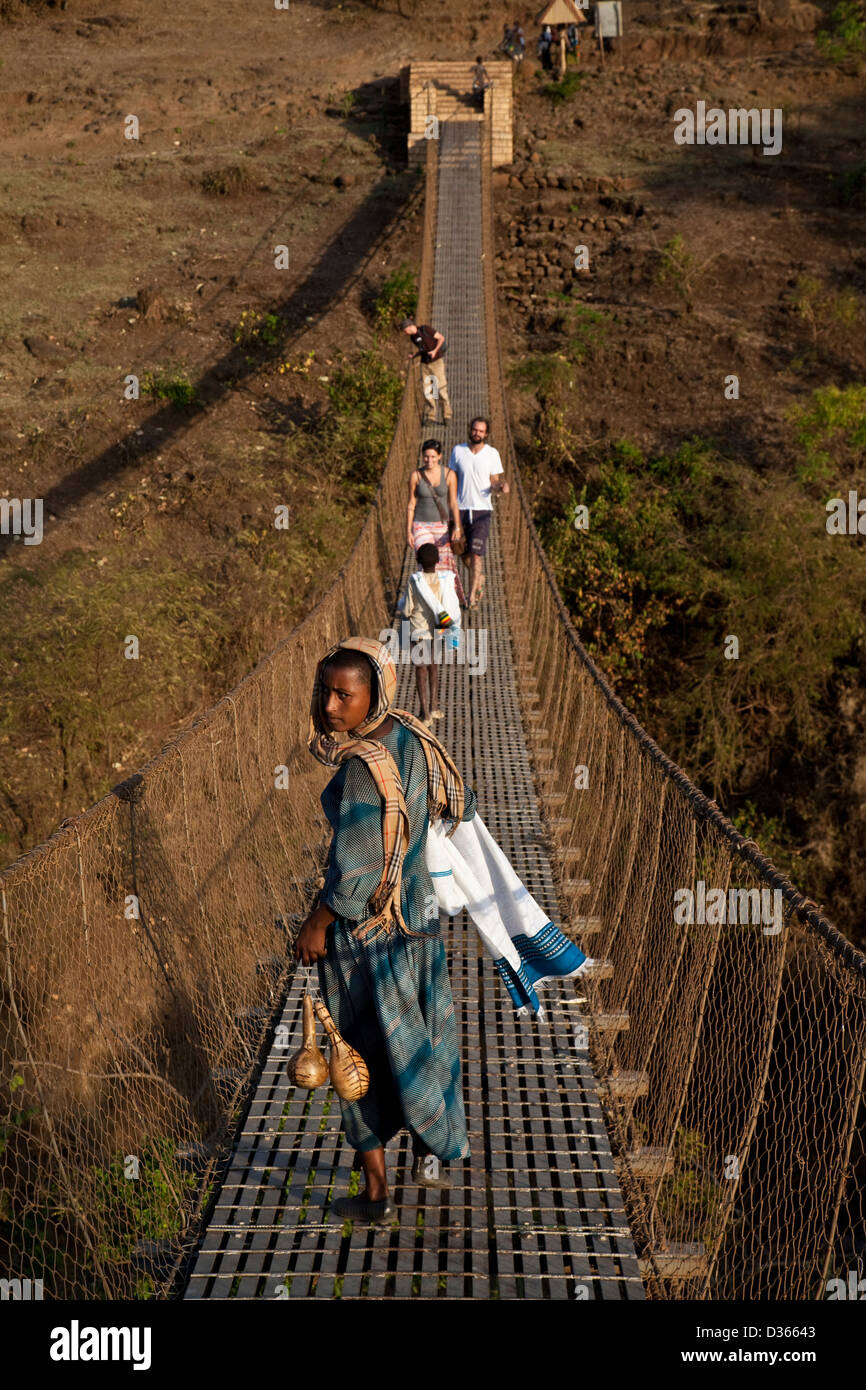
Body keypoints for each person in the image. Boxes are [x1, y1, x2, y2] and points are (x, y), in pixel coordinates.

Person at [295, 636, 477, 1222]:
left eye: (343, 695)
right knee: (422, 1030)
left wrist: (316, 924)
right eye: (324, 692)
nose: (329, 706)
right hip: (418, 920)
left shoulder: (358, 767)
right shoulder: (412, 734)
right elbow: (461, 801)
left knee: (355, 1047)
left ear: (373, 693)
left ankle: (375, 1195)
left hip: (367, 935)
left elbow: (354, 873)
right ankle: (434, 1135)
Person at [448, 417, 509, 608]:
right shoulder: (458, 451)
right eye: (475, 430)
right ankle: (479, 577)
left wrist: (500, 486)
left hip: (482, 510)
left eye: (481, 431)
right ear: (470, 430)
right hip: (461, 508)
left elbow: (494, 481)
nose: (477, 433)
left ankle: (471, 596)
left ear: (486, 434)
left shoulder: (492, 454)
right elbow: (451, 479)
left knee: (476, 554)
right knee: (460, 550)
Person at [402, 542, 461, 725]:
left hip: (419, 631)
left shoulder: (415, 580)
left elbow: (406, 610)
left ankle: (425, 714)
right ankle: (434, 707)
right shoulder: (442, 580)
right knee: (433, 666)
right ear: (437, 561)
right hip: (437, 630)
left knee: (421, 669)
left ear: (418, 560)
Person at [406, 438, 466, 606]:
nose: (429, 460)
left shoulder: (448, 475)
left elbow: (453, 502)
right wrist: (408, 531)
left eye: (433, 457)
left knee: (443, 565)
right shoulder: (416, 476)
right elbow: (411, 504)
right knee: (426, 560)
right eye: (426, 457)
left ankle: (444, 599)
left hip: (441, 524)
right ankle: (425, 599)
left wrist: (458, 527)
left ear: (439, 456)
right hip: (421, 524)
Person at [401, 318, 451, 424]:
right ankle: (431, 416)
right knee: (427, 391)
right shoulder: (412, 337)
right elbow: (422, 349)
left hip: (436, 362)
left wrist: (434, 351)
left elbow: (441, 338)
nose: (404, 333)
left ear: (409, 327)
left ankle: (447, 415)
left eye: (404, 330)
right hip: (425, 364)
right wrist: (414, 355)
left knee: (441, 389)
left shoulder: (426, 329)